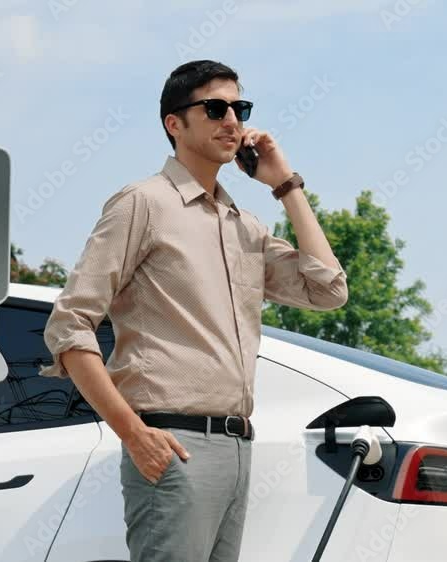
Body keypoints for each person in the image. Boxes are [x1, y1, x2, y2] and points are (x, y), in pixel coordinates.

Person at [39, 60, 349, 562]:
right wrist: (132, 432)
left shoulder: (243, 226)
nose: (232, 119)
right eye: (214, 107)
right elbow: (70, 326)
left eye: (239, 108)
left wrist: (285, 185)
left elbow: (328, 290)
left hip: (238, 448)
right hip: (173, 444)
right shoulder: (142, 203)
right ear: (174, 123)